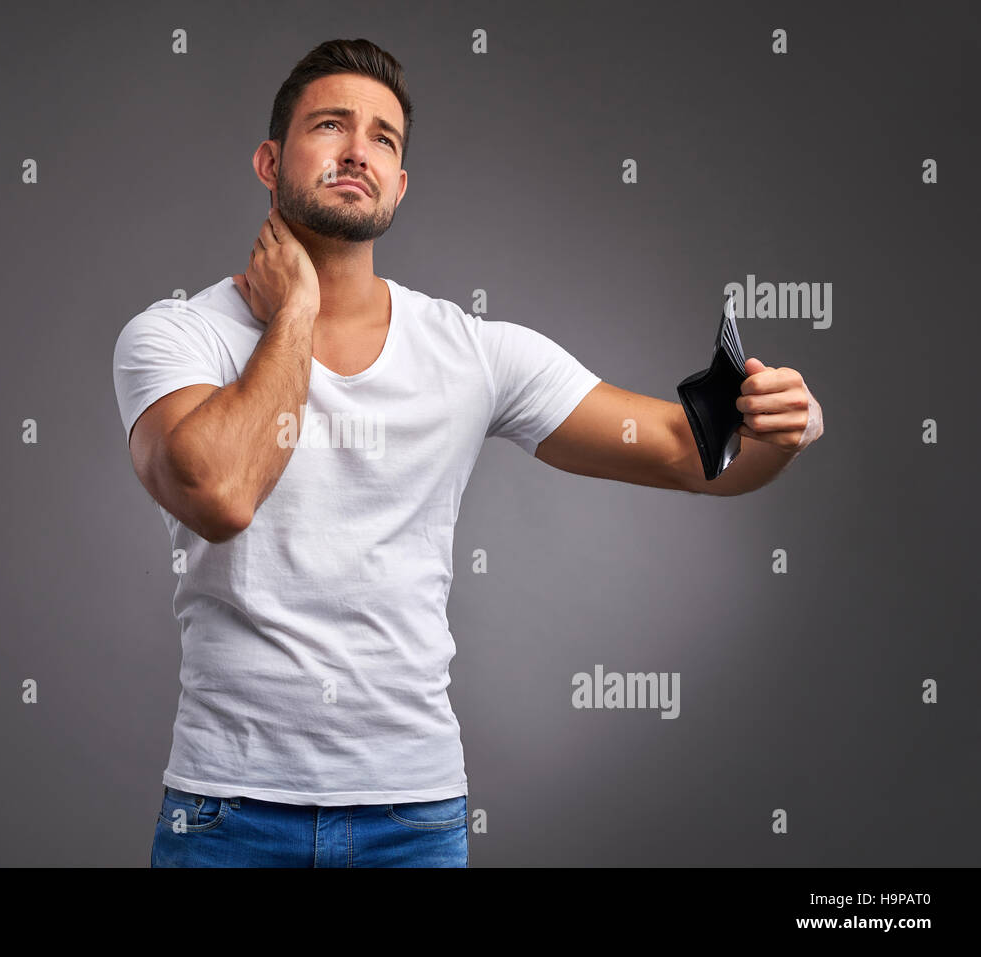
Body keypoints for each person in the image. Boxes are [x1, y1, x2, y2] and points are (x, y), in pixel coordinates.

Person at [112, 38, 824, 868]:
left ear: (400, 184)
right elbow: (222, 493)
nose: (357, 151)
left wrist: (777, 434)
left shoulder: (472, 351)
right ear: (271, 161)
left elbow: (685, 453)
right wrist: (296, 311)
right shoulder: (175, 336)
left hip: (410, 818)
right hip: (227, 811)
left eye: (383, 138)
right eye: (331, 126)